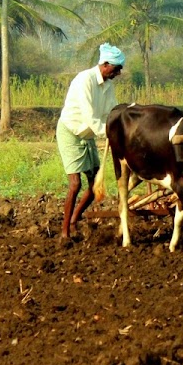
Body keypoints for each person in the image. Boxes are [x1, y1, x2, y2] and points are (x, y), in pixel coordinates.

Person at [57, 42, 125, 237]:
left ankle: (73, 220)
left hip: (88, 135)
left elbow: (111, 112)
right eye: (116, 68)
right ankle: (64, 233)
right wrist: (109, 133)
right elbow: (89, 116)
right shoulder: (84, 80)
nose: (118, 73)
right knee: (75, 184)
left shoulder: (108, 85)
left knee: (95, 184)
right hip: (71, 131)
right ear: (105, 64)